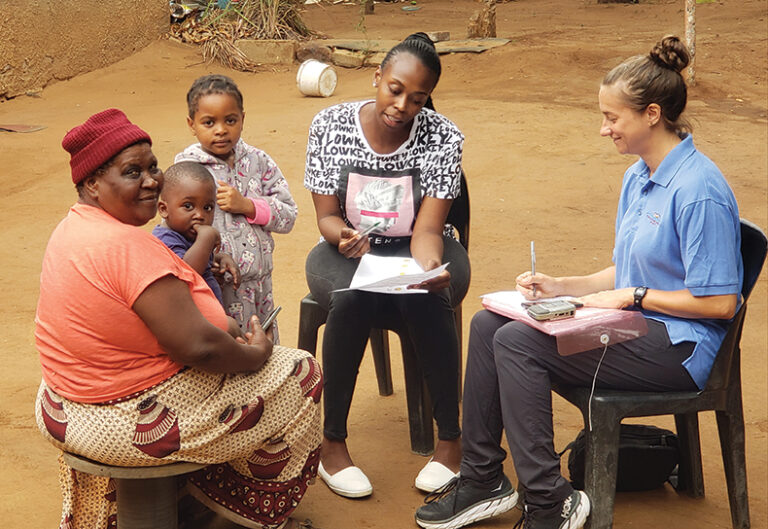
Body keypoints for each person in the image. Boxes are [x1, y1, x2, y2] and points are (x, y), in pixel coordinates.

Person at [416, 36, 743, 529]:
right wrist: (562, 286)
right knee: (488, 326)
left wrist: (633, 296)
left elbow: (720, 304)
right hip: (635, 325)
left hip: (680, 349)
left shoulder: (699, 190)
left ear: (652, 114)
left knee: (518, 344)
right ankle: (482, 479)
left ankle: (550, 503)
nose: (603, 128)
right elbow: (626, 270)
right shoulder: (639, 175)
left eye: (612, 118)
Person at [34, 108, 322, 529]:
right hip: (119, 418)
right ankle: (231, 514)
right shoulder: (125, 247)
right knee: (301, 371)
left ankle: (186, 500)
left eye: (152, 167)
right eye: (132, 172)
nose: (151, 180)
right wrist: (257, 354)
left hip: (63, 404)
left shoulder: (72, 228)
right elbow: (199, 347)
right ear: (93, 183)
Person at [304, 32, 471, 497]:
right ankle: (332, 446)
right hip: (345, 250)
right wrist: (343, 236)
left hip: (419, 247)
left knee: (426, 295)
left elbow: (428, 230)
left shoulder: (443, 136)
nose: (402, 106)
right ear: (377, 77)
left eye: (417, 99)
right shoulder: (330, 125)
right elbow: (326, 216)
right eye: (395, 90)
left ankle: (450, 443)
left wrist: (428, 269)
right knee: (352, 296)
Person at [176, 74, 298, 341]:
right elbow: (175, 225)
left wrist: (249, 206)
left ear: (242, 118)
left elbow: (289, 215)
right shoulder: (187, 171)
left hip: (261, 285)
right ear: (191, 124)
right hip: (217, 288)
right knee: (232, 348)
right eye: (209, 122)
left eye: (230, 120)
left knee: (266, 346)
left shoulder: (259, 161)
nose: (221, 130)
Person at [153, 160, 240, 306]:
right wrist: (207, 238)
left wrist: (220, 258)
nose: (200, 215)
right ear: (164, 209)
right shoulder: (165, 239)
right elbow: (188, 273)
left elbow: (195, 257)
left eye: (207, 208)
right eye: (188, 206)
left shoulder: (189, 236)